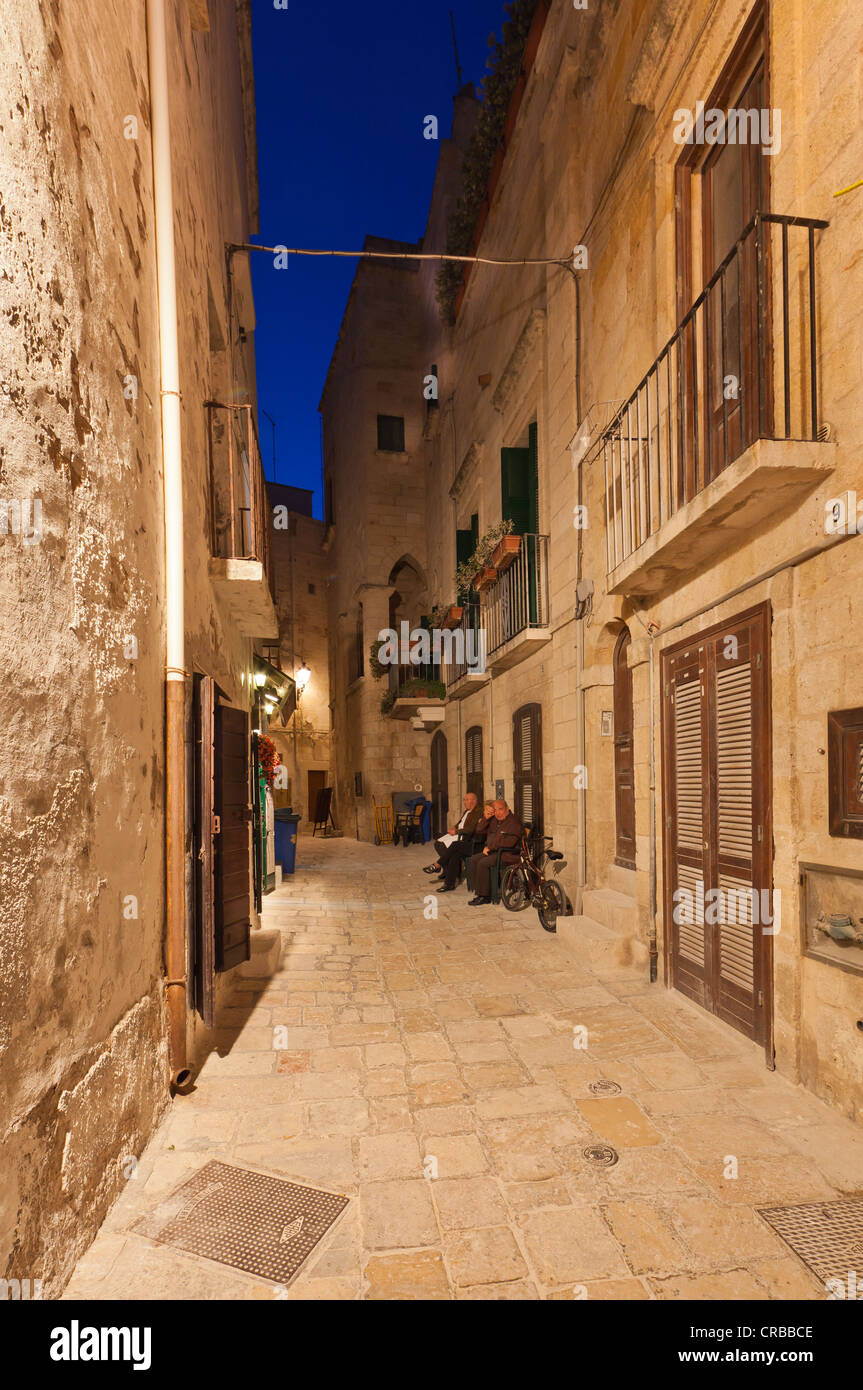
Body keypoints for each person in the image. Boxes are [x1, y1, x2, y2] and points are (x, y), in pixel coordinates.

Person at [467, 799, 522, 905]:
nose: (498, 813)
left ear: (507, 808)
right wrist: (486, 818)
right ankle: (481, 889)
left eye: (500, 809)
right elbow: (479, 830)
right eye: (495, 810)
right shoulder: (495, 820)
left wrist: (490, 847)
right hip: (496, 852)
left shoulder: (513, 822)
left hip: (508, 854)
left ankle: (484, 896)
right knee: (474, 859)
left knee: (483, 863)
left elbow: (510, 842)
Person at [436, 799, 495, 892]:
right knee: (455, 855)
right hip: (475, 844)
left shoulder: (493, 821)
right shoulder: (484, 819)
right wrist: (483, 820)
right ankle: (449, 884)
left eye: (489, 810)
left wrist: (484, 821)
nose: (486, 812)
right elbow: (477, 831)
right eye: (486, 809)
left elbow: (481, 832)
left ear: (493, 811)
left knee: (455, 845)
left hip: (481, 847)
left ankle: (438, 864)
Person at [423, 792, 481, 876]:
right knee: (437, 843)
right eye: (464, 800)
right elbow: (460, 822)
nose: (464, 802)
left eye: (467, 800)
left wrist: (456, 831)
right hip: (458, 833)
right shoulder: (467, 811)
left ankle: (447, 869)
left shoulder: (477, 812)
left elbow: (470, 829)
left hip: (464, 836)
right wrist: (454, 827)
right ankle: (447, 869)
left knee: (442, 846)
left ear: (474, 801)